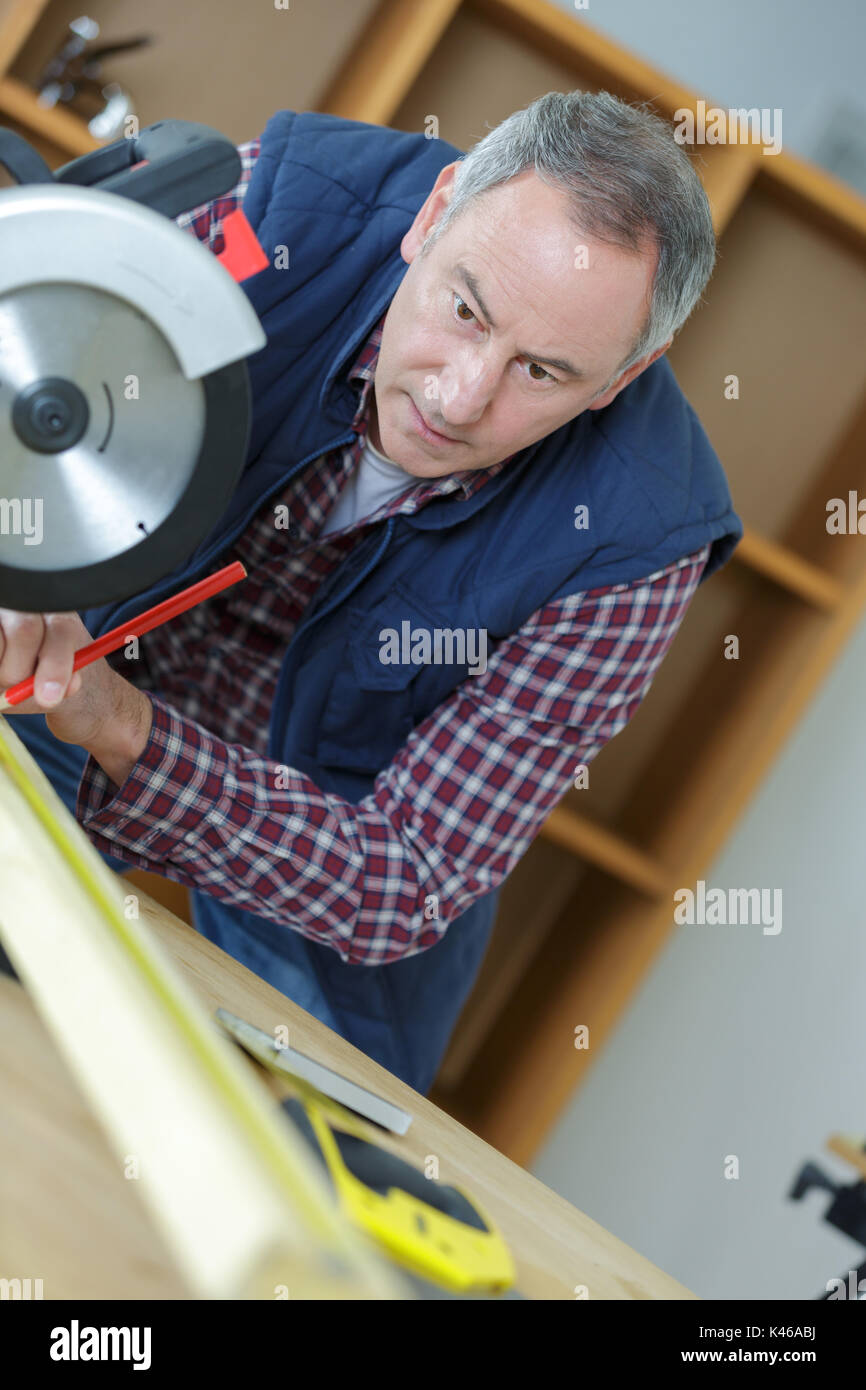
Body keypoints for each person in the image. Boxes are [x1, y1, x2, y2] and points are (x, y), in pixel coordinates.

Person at [1, 91, 742, 1094]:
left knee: (313, 1163)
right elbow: (26, 356)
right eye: (465, 310)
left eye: (542, 371)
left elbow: (406, 874)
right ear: (432, 215)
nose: (458, 397)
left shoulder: (638, 539)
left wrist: (121, 725)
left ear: (623, 374)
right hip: (73, 654)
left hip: (340, 858)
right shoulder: (274, 205)